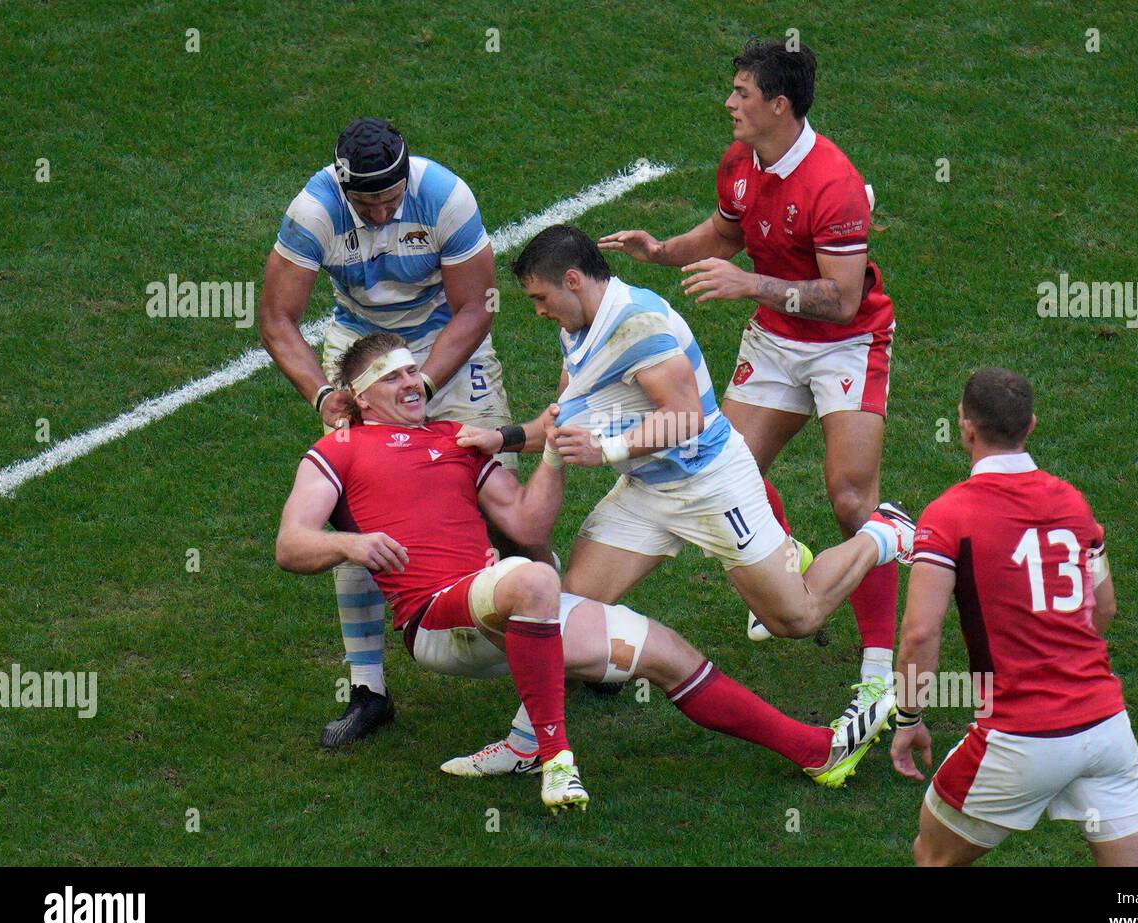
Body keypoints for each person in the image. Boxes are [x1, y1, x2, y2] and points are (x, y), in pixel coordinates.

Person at [274, 334, 901, 811]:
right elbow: (291, 544)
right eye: (394, 376)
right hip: (440, 624)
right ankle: (553, 758)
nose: (414, 381)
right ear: (357, 396)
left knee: (668, 654)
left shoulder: (457, 440)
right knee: (536, 579)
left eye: (415, 369)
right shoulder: (337, 449)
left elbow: (527, 526)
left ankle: (819, 752)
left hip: (504, 611)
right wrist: (352, 546)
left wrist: (551, 453)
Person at [440, 225, 911, 776]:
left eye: (541, 298)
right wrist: (505, 438)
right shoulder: (579, 326)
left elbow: (686, 417)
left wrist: (608, 448)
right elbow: (569, 416)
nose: (539, 311)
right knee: (565, 608)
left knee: (795, 617)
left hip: (710, 486)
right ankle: (527, 742)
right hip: (647, 490)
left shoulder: (637, 325)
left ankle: (885, 533)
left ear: (572, 281)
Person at [598, 39, 899, 708]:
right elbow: (725, 232)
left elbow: (842, 298)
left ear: (779, 104)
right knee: (723, 467)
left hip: (845, 344)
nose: (730, 103)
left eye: (742, 93)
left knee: (851, 500)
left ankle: (881, 662)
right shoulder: (742, 160)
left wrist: (748, 286)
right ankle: (784, 562)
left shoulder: (834, 184)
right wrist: (663, 251)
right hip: (776, 339)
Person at [258, 117, 516, 748]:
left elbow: (476, 308)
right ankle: (368, 688)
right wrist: (324, 393)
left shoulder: (446, 196)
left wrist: (421, 385)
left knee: (504, 504)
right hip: (362, 349)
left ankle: (565, 633)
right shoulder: (314, 210)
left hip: (442, 343)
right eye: (366, 202)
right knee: (357, 517)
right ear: (344, 189)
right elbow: (276, 318)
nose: (379, 210)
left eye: (390, 198)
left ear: (407, 177)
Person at [889, 368, 1138, 866]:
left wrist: (909, 716)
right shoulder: (1074, 504)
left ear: (966, 427)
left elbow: (920, 633)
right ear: (1030, 425)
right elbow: (1104, 607)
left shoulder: (949, 515)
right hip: (1106, 728)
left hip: (1019, 737)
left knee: (932, 857)